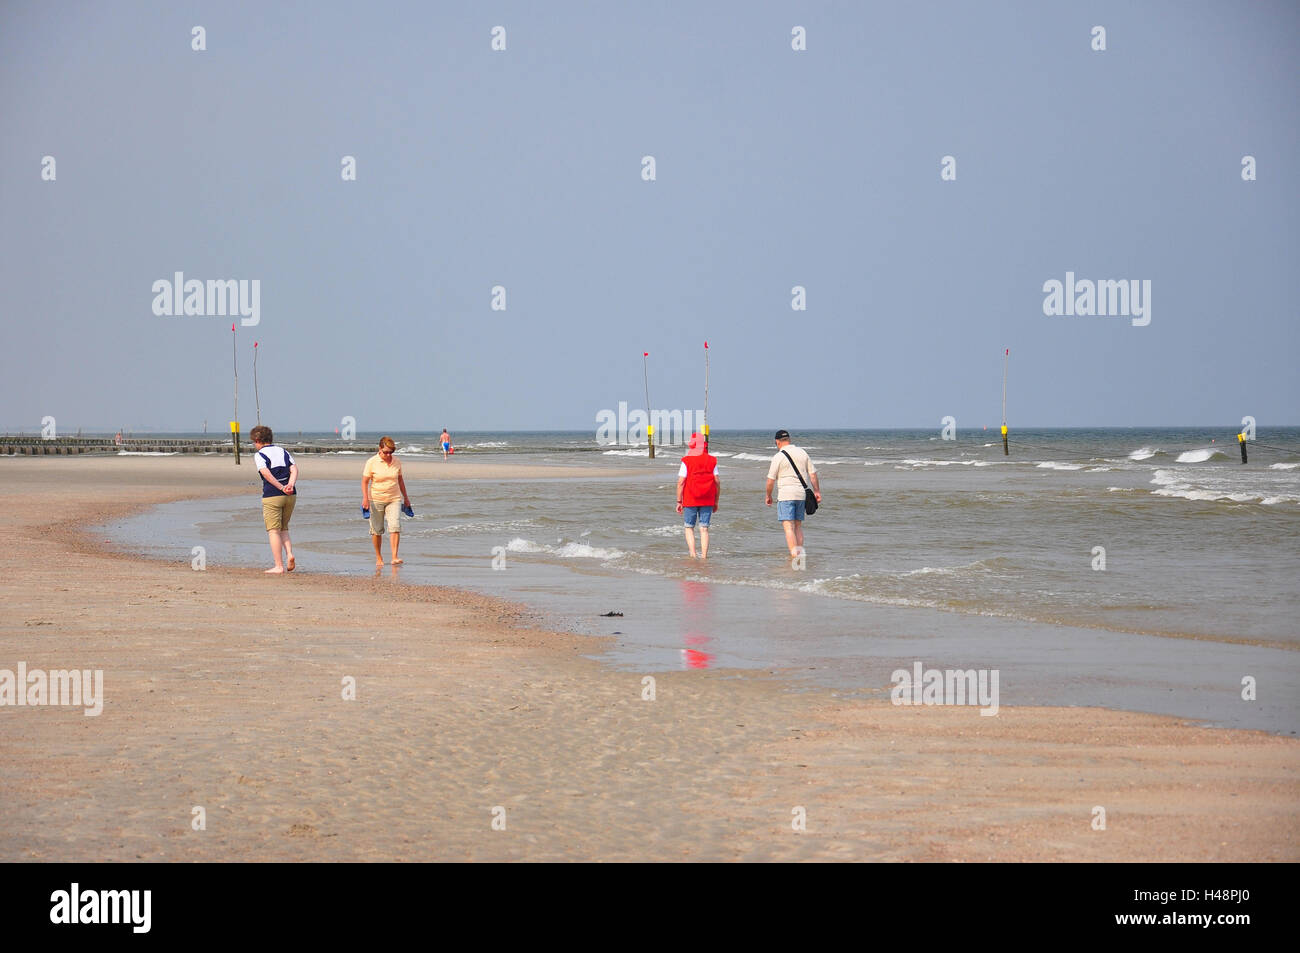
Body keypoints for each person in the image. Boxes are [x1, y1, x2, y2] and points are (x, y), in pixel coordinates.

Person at [765, 429, 821, 558]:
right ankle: (800, 555)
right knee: (798, 527)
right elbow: (812, 474)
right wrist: (817, 491)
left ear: (777, 442)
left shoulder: (778, 456)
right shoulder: (802, 452)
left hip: (785, 495)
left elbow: (770, 480)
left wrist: (768, 495)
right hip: (801, 495)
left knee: (788, 527)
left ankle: (794, 557)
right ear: (789, 440)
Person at [250, 425, 298, 574]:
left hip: (273, 495)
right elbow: (294, 469)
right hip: (291, 495)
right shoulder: (283, 451)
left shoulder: (260, 455)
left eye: (254, 442)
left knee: (273, 530)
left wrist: (280, 487)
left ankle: (278, 565)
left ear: (258, 441)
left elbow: (266, 474)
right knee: (284, 527)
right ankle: (289, 554)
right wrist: (290, 484)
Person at [362, 436, 411, 568]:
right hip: (375, 499)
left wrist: (406, 498)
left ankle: (394, 556)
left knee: (395, 526)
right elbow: (365, 482)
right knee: (376, 530)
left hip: (394, 499)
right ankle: (379, 557)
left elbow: (400, 480)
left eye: (391, 452)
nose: (388, 455)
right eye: (386, 452)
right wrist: (365, 498)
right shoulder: (371, 462)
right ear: (380, 449)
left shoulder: (397, 462)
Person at [676, 433, 719, 559]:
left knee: (689, 527)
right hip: (708, 499)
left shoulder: (686, 460)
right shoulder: (712, 460)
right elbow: (717, 481)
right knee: (704, 528)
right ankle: (704, 556)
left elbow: (681, 482)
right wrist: (716, 501)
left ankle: (693, 554)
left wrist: (679, 501)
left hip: (690, 499)